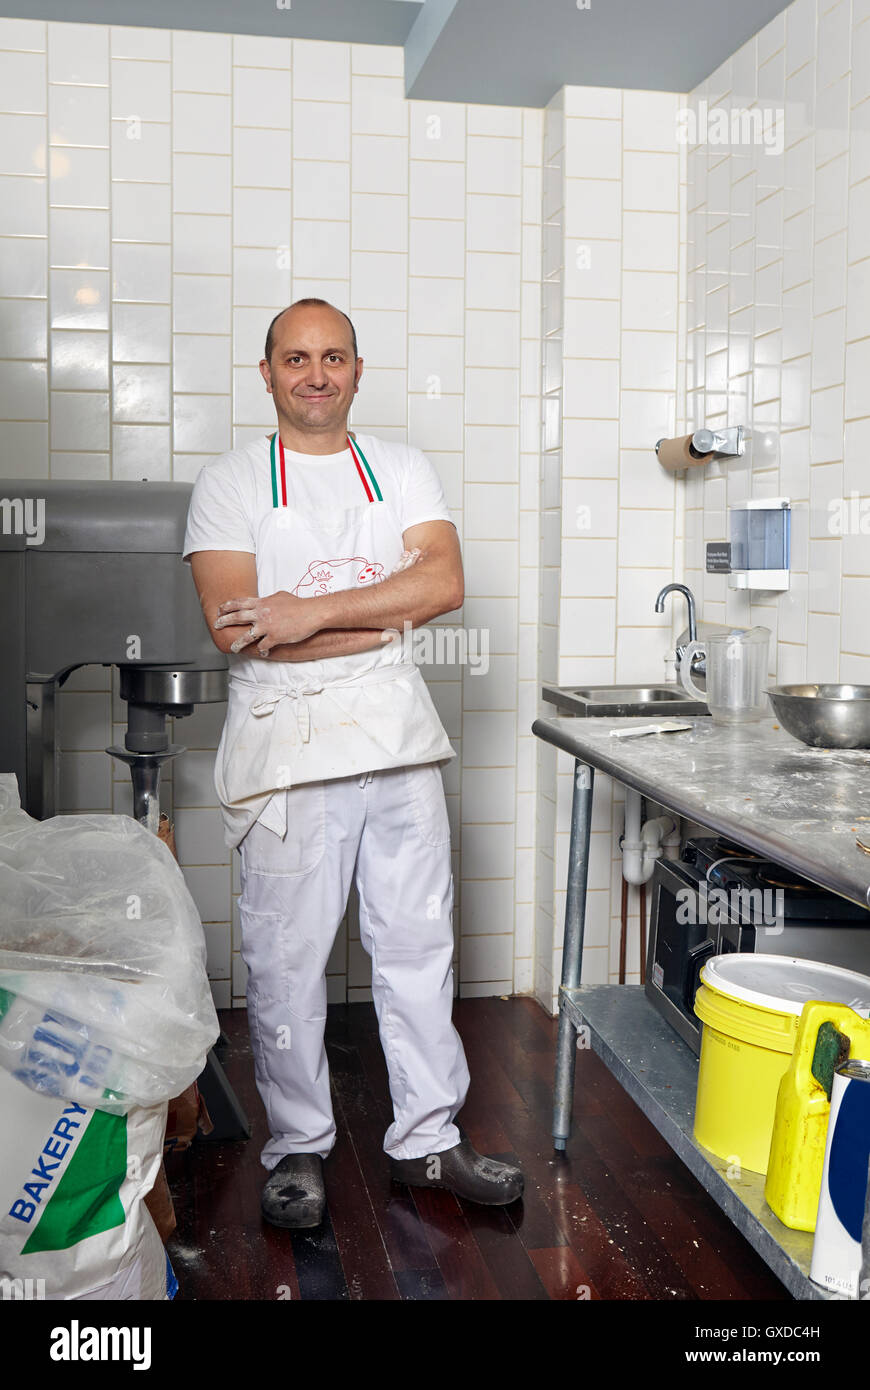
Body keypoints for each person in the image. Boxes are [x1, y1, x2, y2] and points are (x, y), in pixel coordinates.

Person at [182, 298, 524, 1228]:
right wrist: (381, 621)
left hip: (397, 741)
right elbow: (239, 631)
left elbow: (444, 582)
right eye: (296, 359)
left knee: (418, 944)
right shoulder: (230, 483)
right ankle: (297, 1148)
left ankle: (428, 1139)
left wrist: (305, 612)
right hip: (286, 750)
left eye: (334, 357)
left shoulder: (401, 469)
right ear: (266, 374)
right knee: (286, 960)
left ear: (359, 371)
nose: (316, 374)